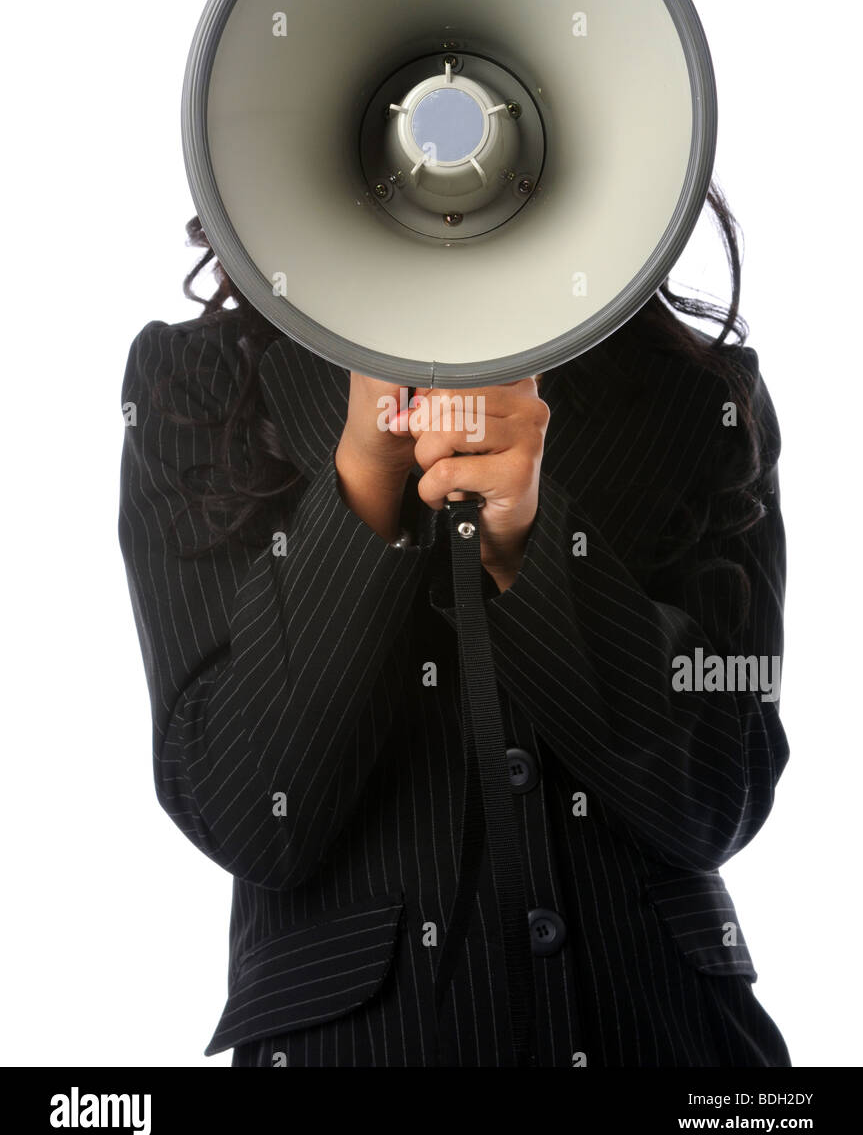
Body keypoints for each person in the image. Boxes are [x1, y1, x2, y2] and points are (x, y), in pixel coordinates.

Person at [117, 182, 791, 1067]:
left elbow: (719, 794)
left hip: (670, 1040)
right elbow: (246, 812)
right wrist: (364, 478)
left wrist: (529, 545)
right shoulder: (199, 384)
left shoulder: (695, 394)